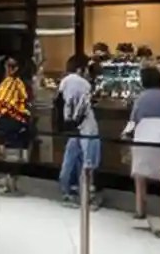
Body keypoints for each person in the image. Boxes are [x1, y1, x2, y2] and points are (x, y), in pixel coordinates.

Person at [129, 65, 160, 218]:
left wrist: (125, 133)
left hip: (143, 135)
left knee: (140, 175)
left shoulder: (141, 97)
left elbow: (134, 118)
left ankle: (140, 209)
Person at [56, 55, 99, 208]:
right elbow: (83, 105)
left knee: (70, 158)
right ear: (81, 69)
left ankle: (66, 191)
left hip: (71, 126)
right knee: (88, 159)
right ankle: (87, 194)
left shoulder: (63, 82)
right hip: (86, 125)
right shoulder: (84, 84)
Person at [0, 57, 32, 194]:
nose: (8, 69)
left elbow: (3, 102)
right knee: (10, 153)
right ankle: (10, 182)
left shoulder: (15, 83)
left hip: (11, 122)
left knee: (10, 153)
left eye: (10, 66)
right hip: (13, 122)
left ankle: (10, 182)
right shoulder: (14, 83)